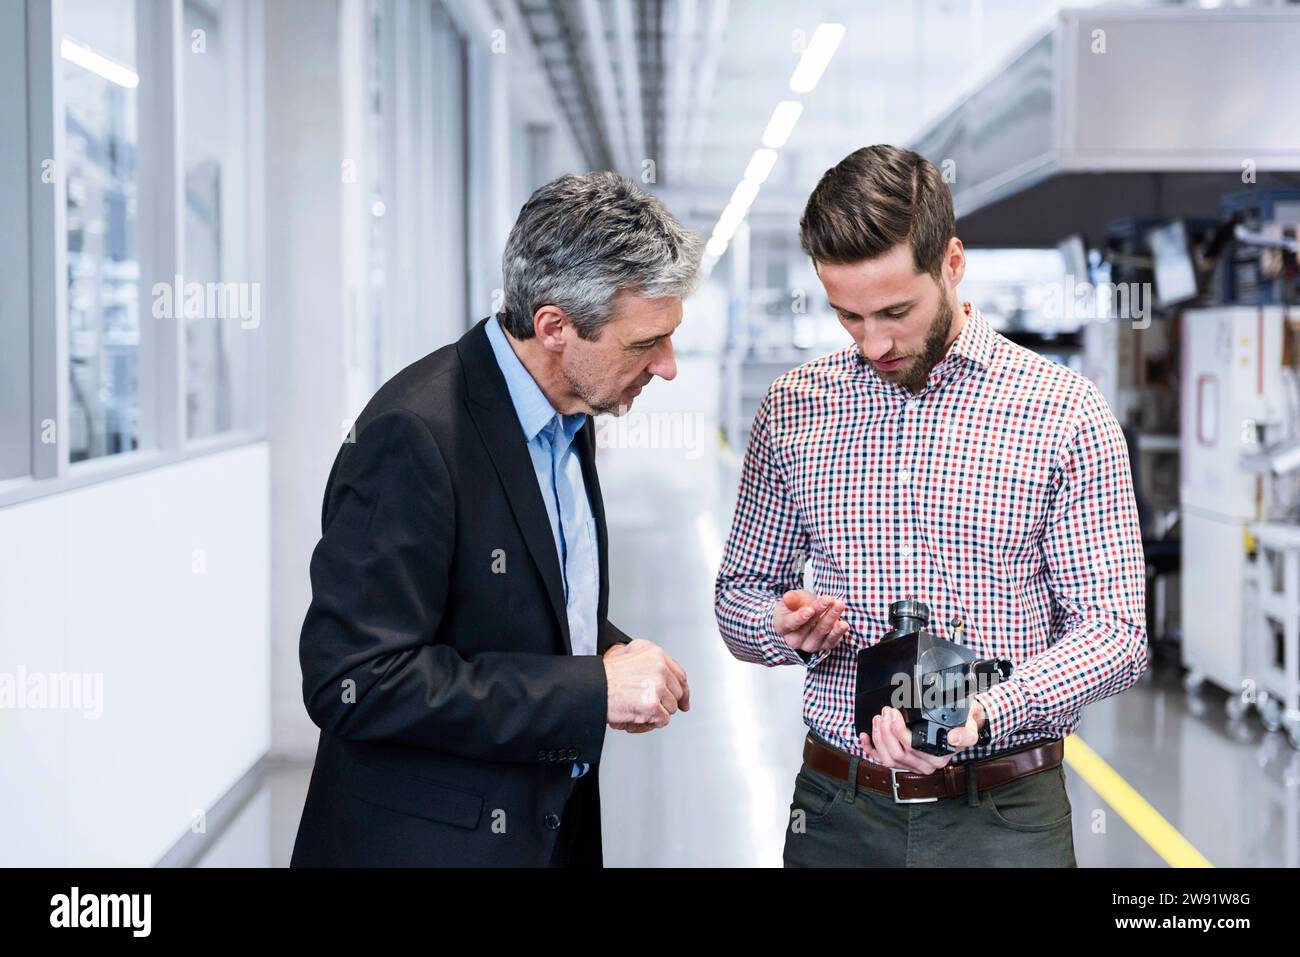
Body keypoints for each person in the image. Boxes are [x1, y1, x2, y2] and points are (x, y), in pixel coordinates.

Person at [714, 144, 1148, 867]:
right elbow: (738, 596)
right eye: (847, 316)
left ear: (952, 261)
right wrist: (781, 627)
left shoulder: (1062, 412)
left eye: (895, 310)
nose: (874, 341)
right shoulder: (793, 411)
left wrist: (988, 708)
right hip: (836, 810)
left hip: (1005, 815)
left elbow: (1116, 630)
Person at [291, 171, 700, 867]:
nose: (667, 367)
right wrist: (590, 689)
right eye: (644, 344)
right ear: (554, 328)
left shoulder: (571, 415)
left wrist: (614, 654)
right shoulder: (413, 435)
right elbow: (354, 679)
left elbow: (518, 599)